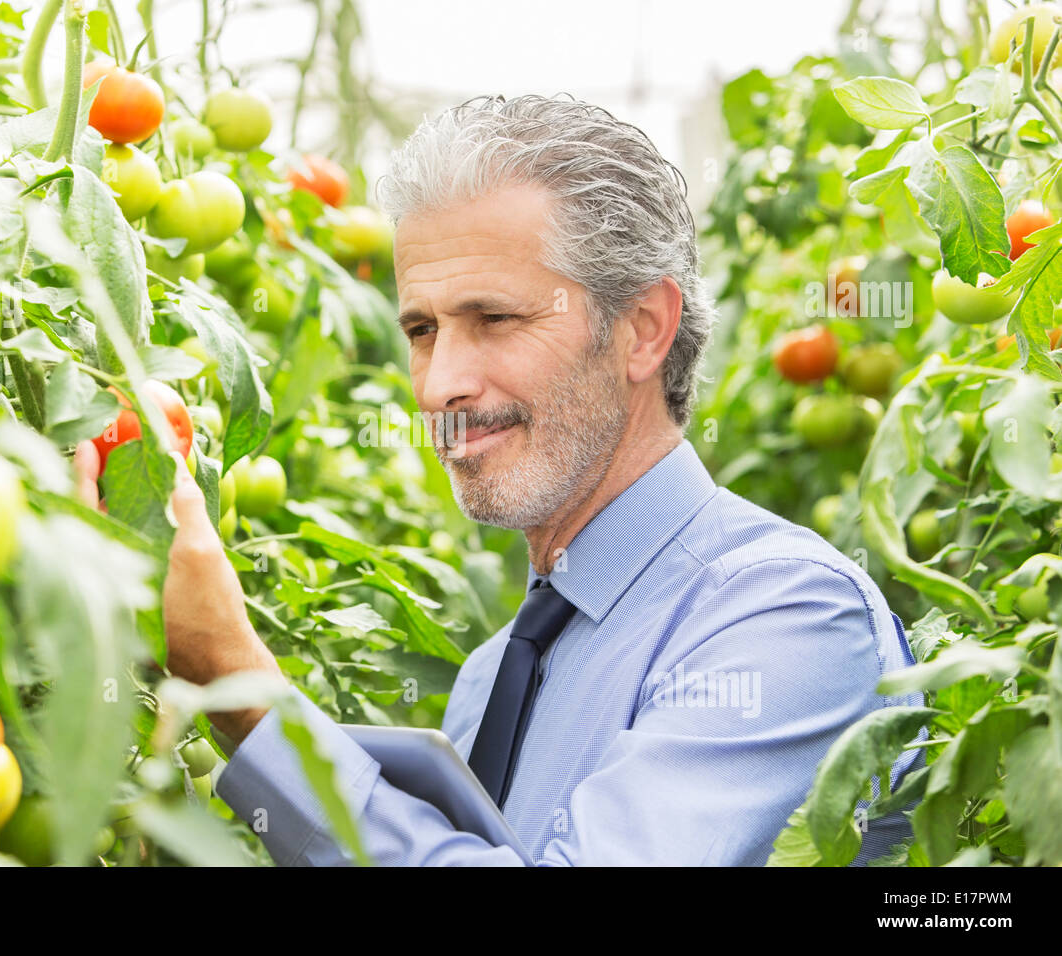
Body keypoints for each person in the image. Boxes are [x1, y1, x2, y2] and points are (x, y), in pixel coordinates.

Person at [74, 94, 924, 866]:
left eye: (496, 319)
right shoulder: (490, 680)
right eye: (421, 329)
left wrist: (239, 683)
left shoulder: (784, 617)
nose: (442, 381)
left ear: (642, 329)